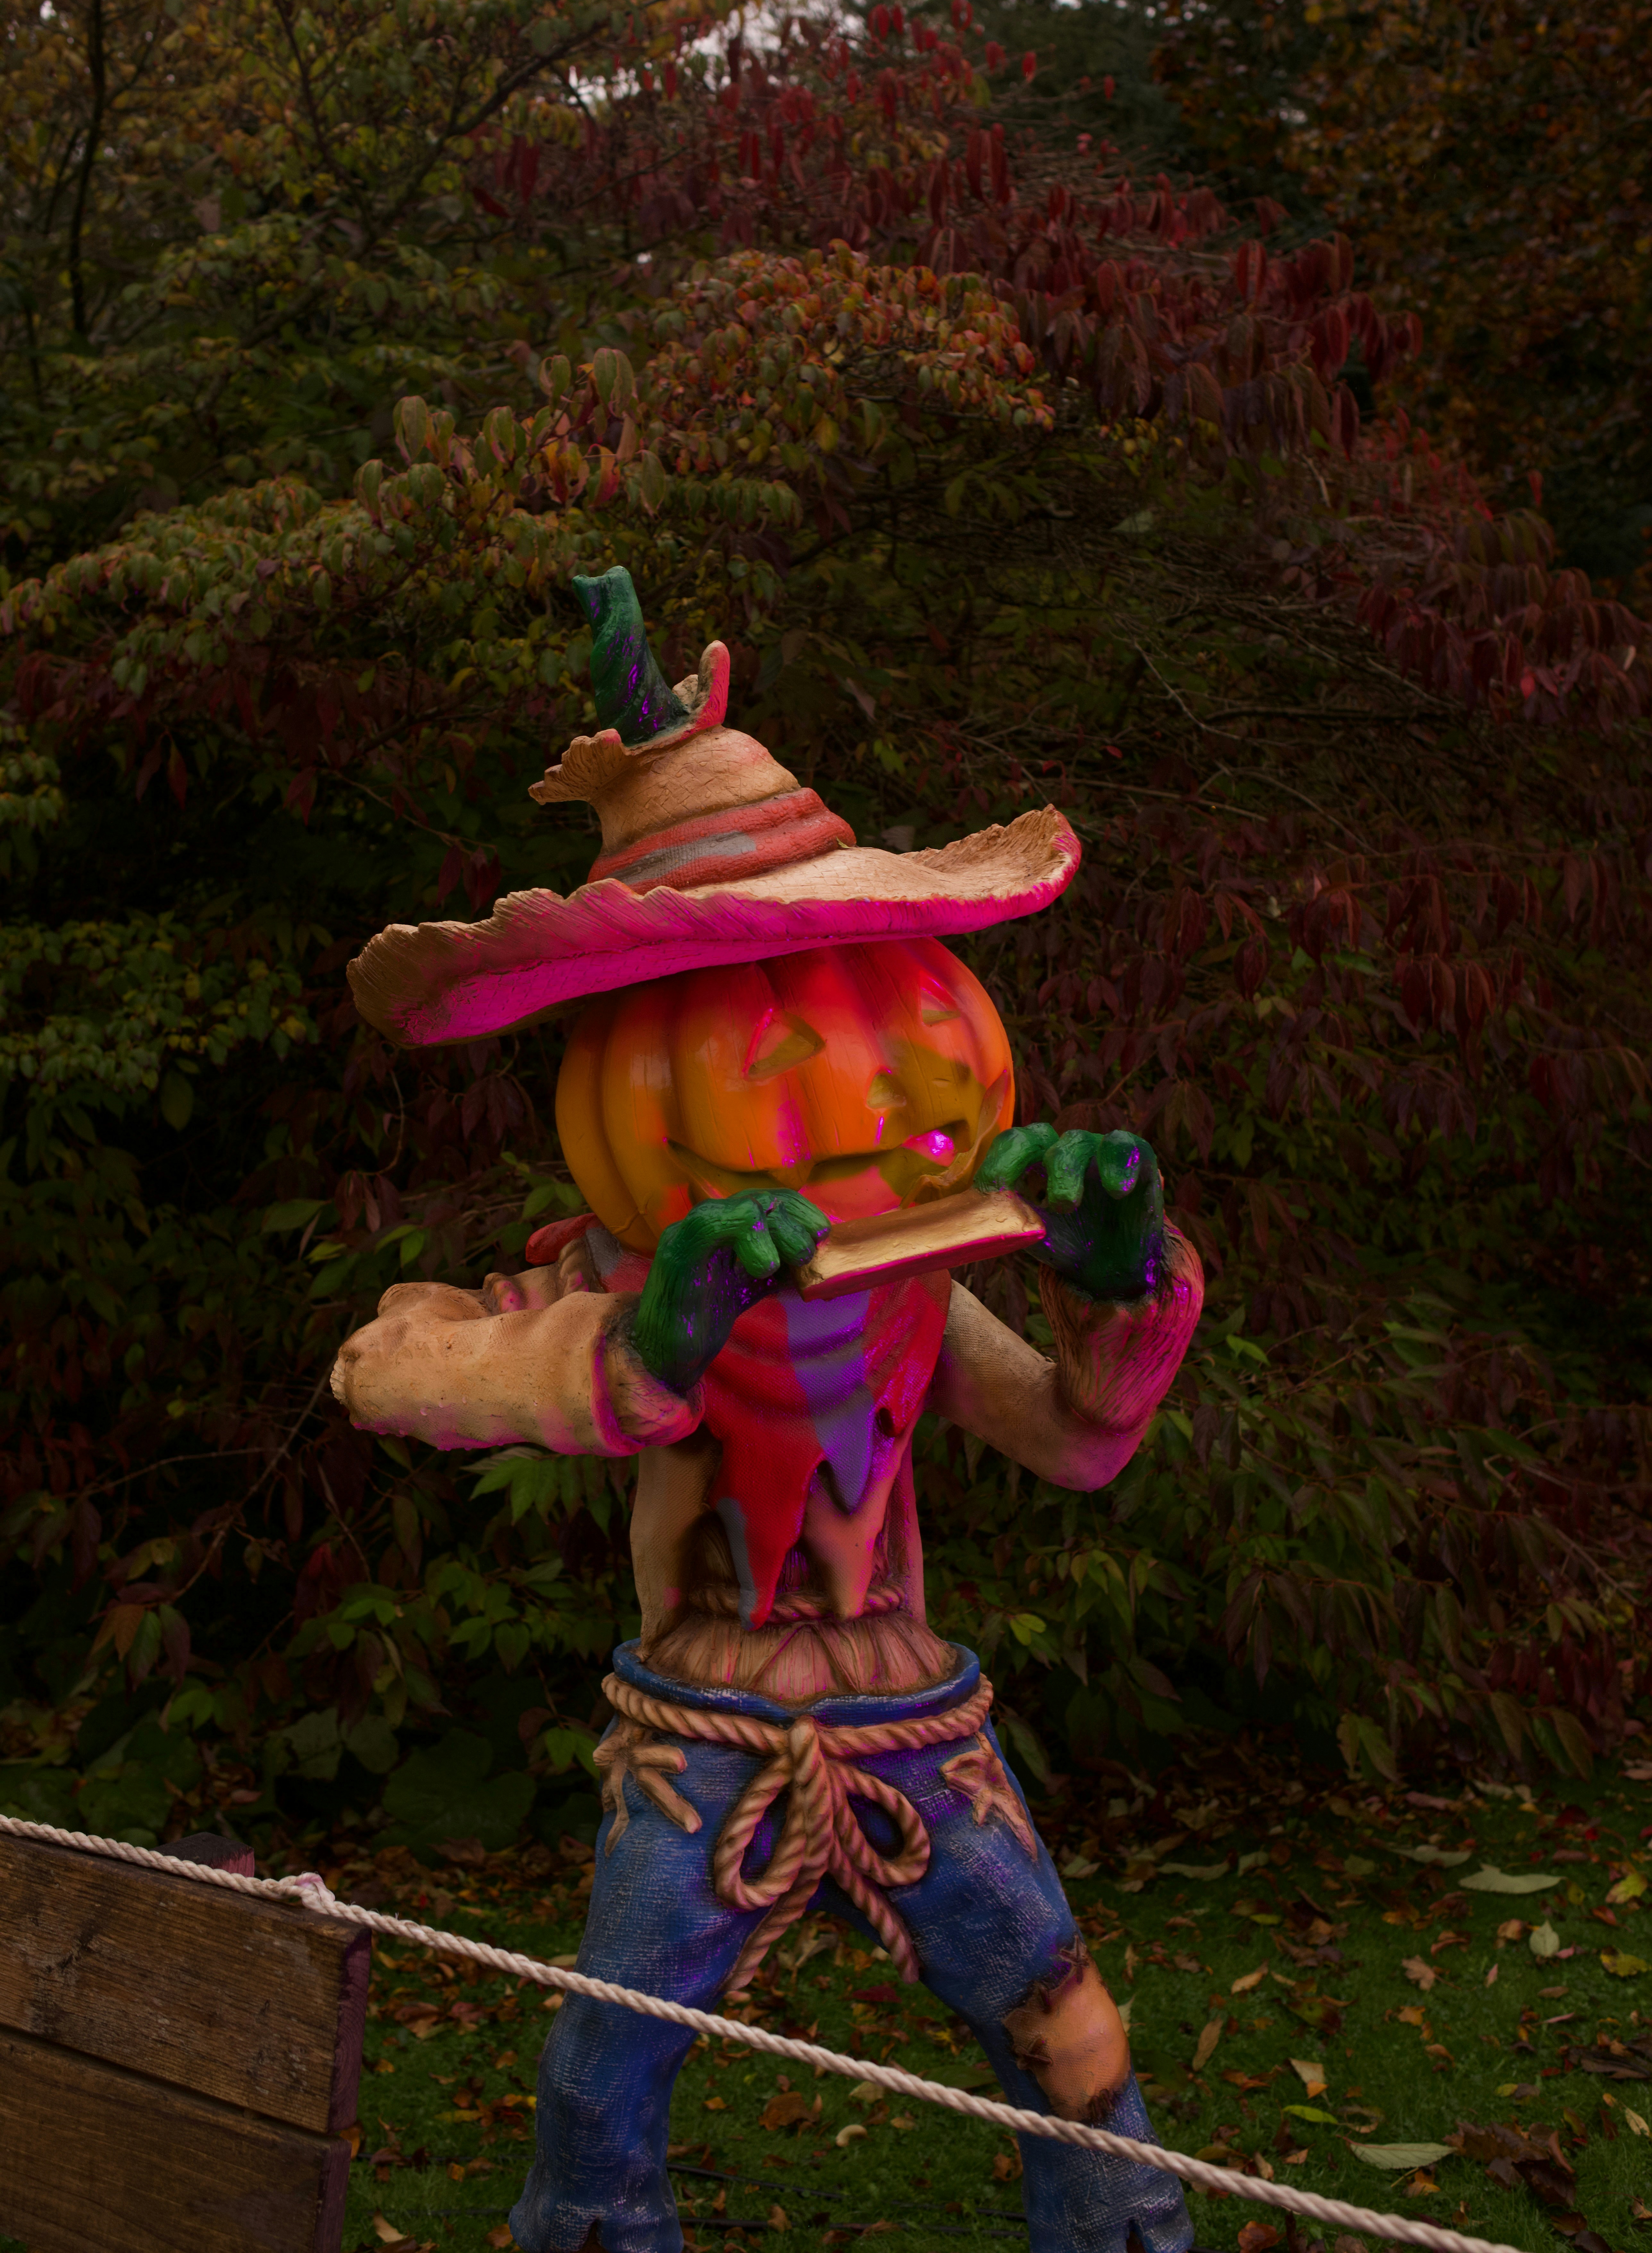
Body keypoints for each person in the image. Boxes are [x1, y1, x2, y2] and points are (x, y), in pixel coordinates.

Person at [333, 570, 1204, 2253]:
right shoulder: (604, 1269)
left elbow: (1085, 1438)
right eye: (779, 1013)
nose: (874, 1066)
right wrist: (643, 1341)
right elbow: (394, 1363)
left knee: (1073, 2039)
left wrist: (1125, 1273)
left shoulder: (911, 1288)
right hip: (697, 1748)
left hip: (925, 1737)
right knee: (608, 2079)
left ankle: (1129, 2239)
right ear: (629, 1049)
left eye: (897, 987)